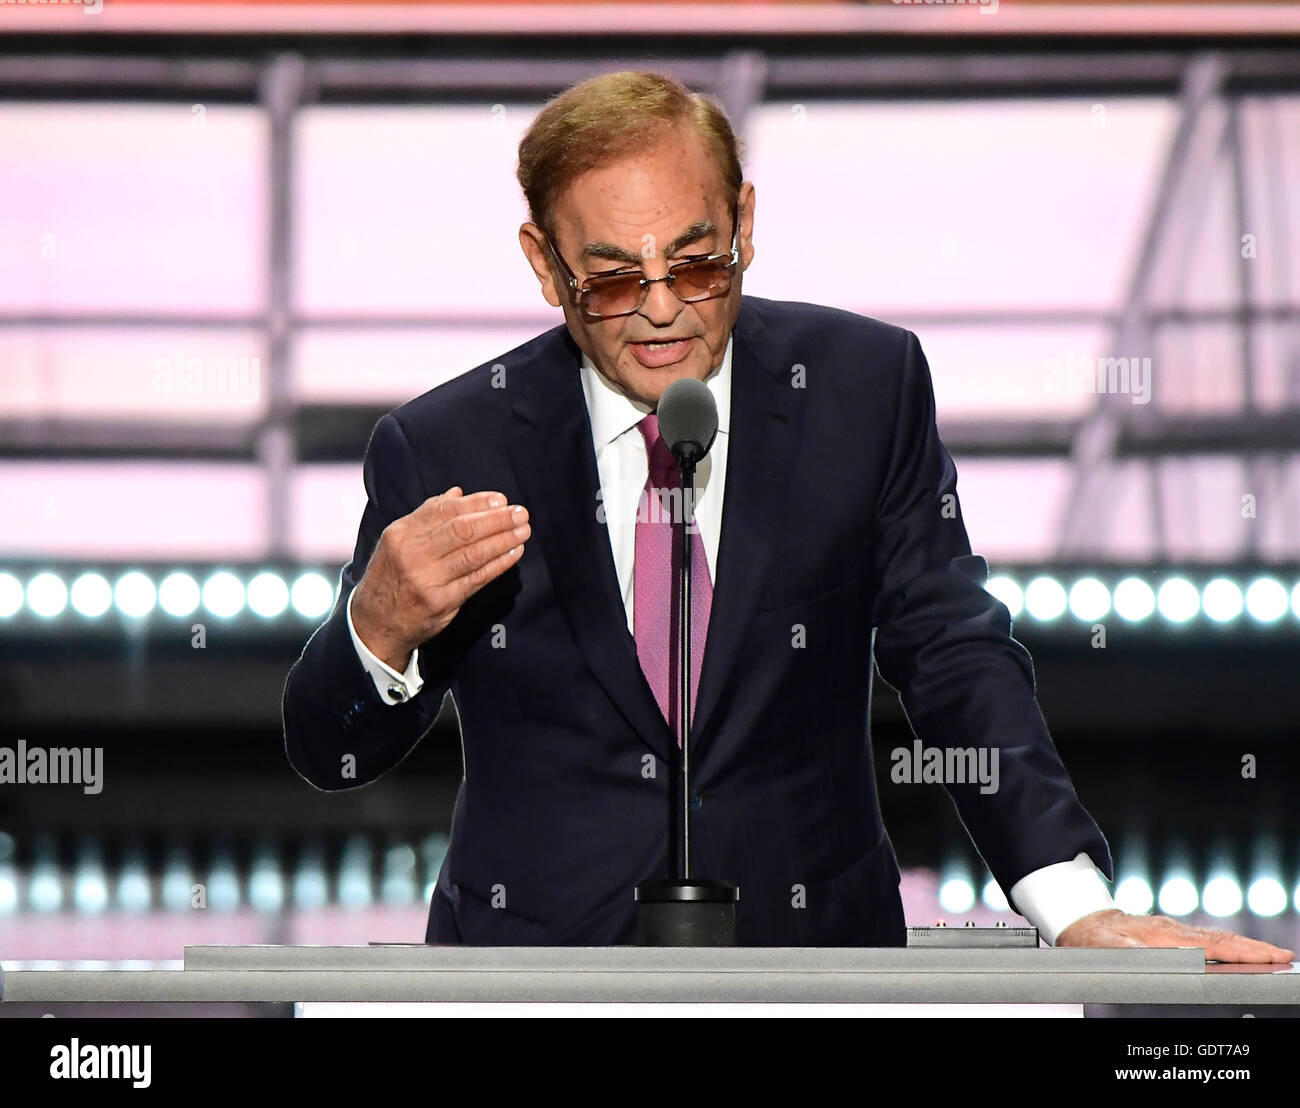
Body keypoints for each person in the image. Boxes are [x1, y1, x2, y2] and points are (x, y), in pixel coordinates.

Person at [283, 70, 1290, 959]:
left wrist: (1066, 899)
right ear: (545, 266)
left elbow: (951, 652)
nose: (664, 307)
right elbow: (332, 754)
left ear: (745, 221)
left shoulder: (861, 389)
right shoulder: (449, 444)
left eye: (697, 261)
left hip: (812, 962)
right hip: (534, 972)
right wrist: (377, 630)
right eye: (614, 278)